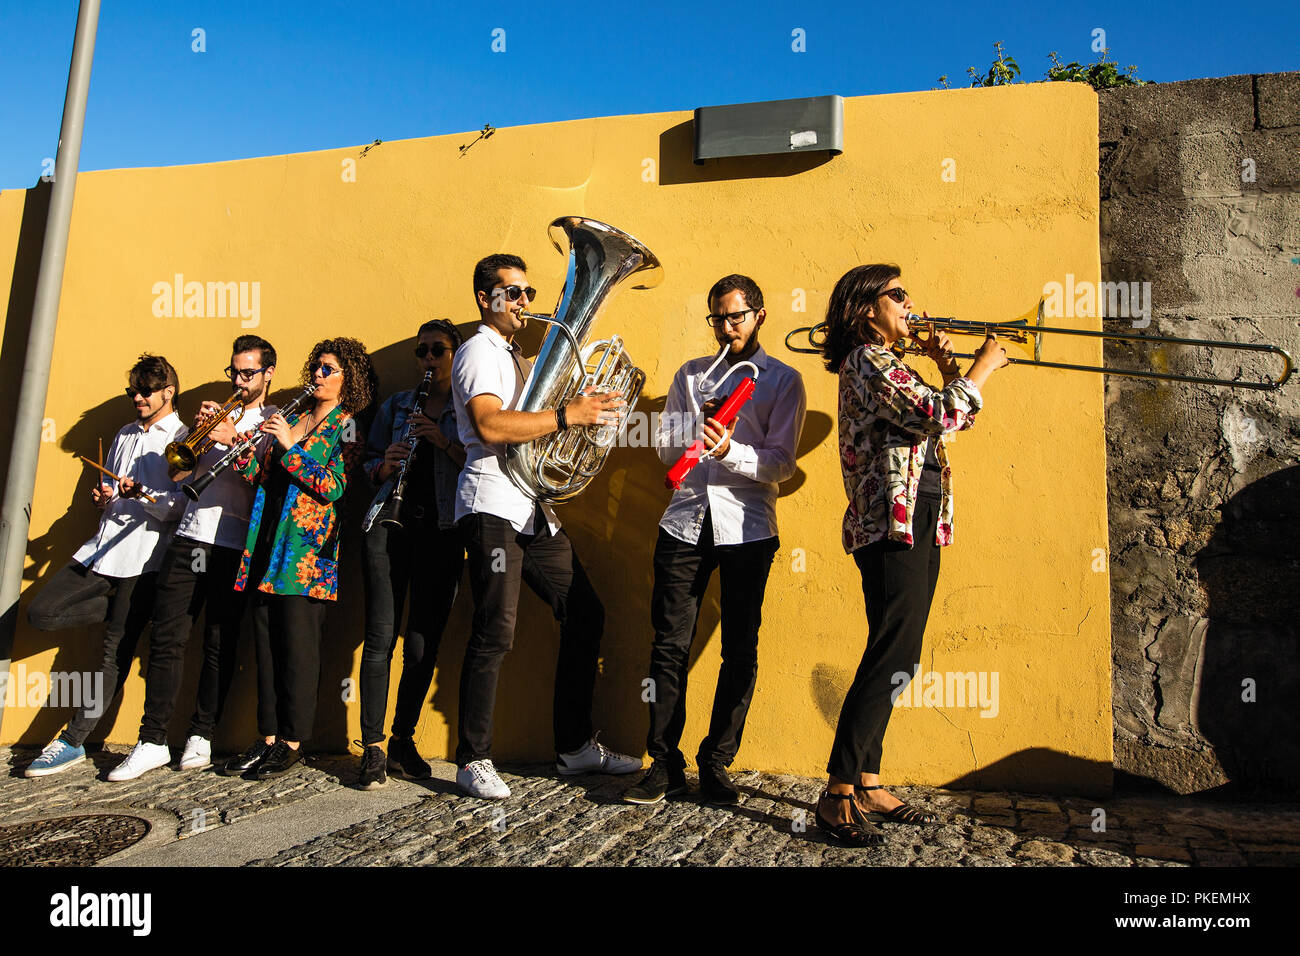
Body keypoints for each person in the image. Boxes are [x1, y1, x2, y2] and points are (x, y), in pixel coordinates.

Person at [813, 264, 1006, 846]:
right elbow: (937, 413)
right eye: (897, 295)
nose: (910, 302)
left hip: (920, 516)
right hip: (891, 523)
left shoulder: (894, 363)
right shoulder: (867, 362)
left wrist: (952, 367)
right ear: (865, 310)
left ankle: (869, 778)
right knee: (893, 647)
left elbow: (950, 418)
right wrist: (983, 366)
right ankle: (838, 792)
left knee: (902, 652)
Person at [450, 252, 639, 799]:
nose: (528, 303)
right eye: (515, 294)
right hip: (490, 504)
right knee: (496, 629)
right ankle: (473, 757)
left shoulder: (513, 355)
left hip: (530, 503)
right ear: (487, 299)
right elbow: (490, 425)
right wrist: (566, 416)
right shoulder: (478, 351)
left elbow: (537, 425)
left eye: (531, 293)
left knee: (584, 611)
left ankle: (575, 747)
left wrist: (591, 411)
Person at [623, 274, 806, 806]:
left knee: (739, 648)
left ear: (760, 315)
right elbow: (663, 448)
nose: (726, 329)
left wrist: (729, 450)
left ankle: (717, 761)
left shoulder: (784, 380)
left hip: (748, 528)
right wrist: (692, 432)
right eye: (718, 319)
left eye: (736, 317)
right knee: (668, 645)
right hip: (683, 523)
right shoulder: (691, 375)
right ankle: (663, 762)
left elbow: (781, 465)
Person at [24, 354, 188, 780]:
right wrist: (108, 498)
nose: (137, 397)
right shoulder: (124, 433)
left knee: (112, 655)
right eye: (132, 390)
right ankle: (124, 613)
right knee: (41, 613)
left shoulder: (184, 438)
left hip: (143, 557)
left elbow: (180, 508)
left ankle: (72, 741)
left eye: (146, 390)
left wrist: (142, 497)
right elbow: (115, 492)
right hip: (100, 551)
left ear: (168, 392)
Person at [221, 338, 374, 779]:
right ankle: (266, 737)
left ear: (349, 379)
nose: (318, 376)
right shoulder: (290, 415)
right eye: (317, 368)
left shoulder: (347, 427)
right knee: (266, 647)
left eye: (329, 370)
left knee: (297, 651)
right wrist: (237, 445)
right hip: (267, 543)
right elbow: (256, 474)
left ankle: (290, 742)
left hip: (306, 556)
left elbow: (335, 487)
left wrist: (290, 447)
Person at [142, 336, 279, 774]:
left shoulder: (276, 419)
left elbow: (268, 481)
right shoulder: (215, 412)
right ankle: (152, 739)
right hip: (189, 535)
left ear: (267, 374)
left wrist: (233, 437)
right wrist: (195, 438)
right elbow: (178, 470)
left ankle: (201, 734)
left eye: (247, 373)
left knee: (219, 643)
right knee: (167, 637)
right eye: (234, 372)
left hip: (235, 542)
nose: (239, 381)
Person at [356, 319, 467, 789]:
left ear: (455, 355)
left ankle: (403, 738)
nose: (427, 359)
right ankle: (374, 747)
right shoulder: (397, 404)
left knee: (422, 645)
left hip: (442, 531)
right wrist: (384, 465)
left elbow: (486, 465)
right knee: (380, 637)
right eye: (421, 352)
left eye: (437, 351)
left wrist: (441, 439)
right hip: (388, 526)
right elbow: (364, 462)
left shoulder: (470, 407)